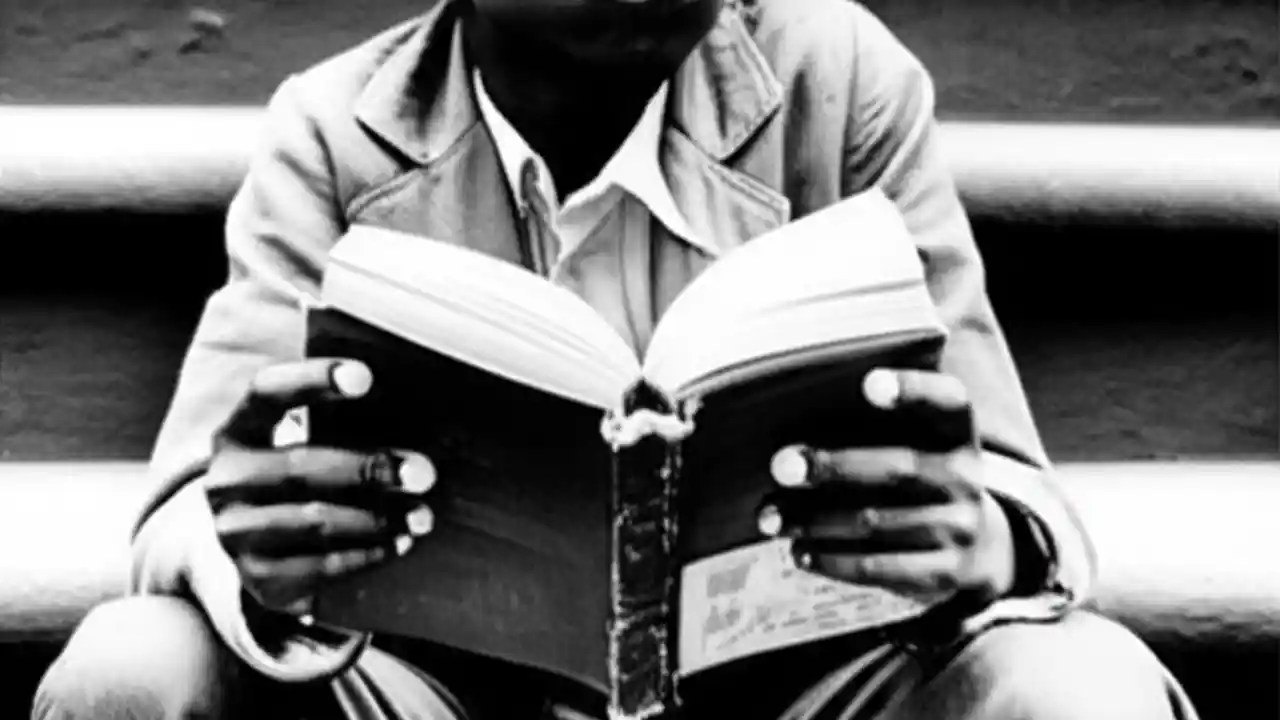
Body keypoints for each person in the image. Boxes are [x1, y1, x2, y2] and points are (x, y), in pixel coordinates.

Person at [34, 0, 1200, 718]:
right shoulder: (335, 132)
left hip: (798, 691)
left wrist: (982, 538)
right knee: (134, 670)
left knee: (1075, 689)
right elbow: (187, 506)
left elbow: (1009, 477)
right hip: (442, 696)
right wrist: (253, 551)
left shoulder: (839, 82)